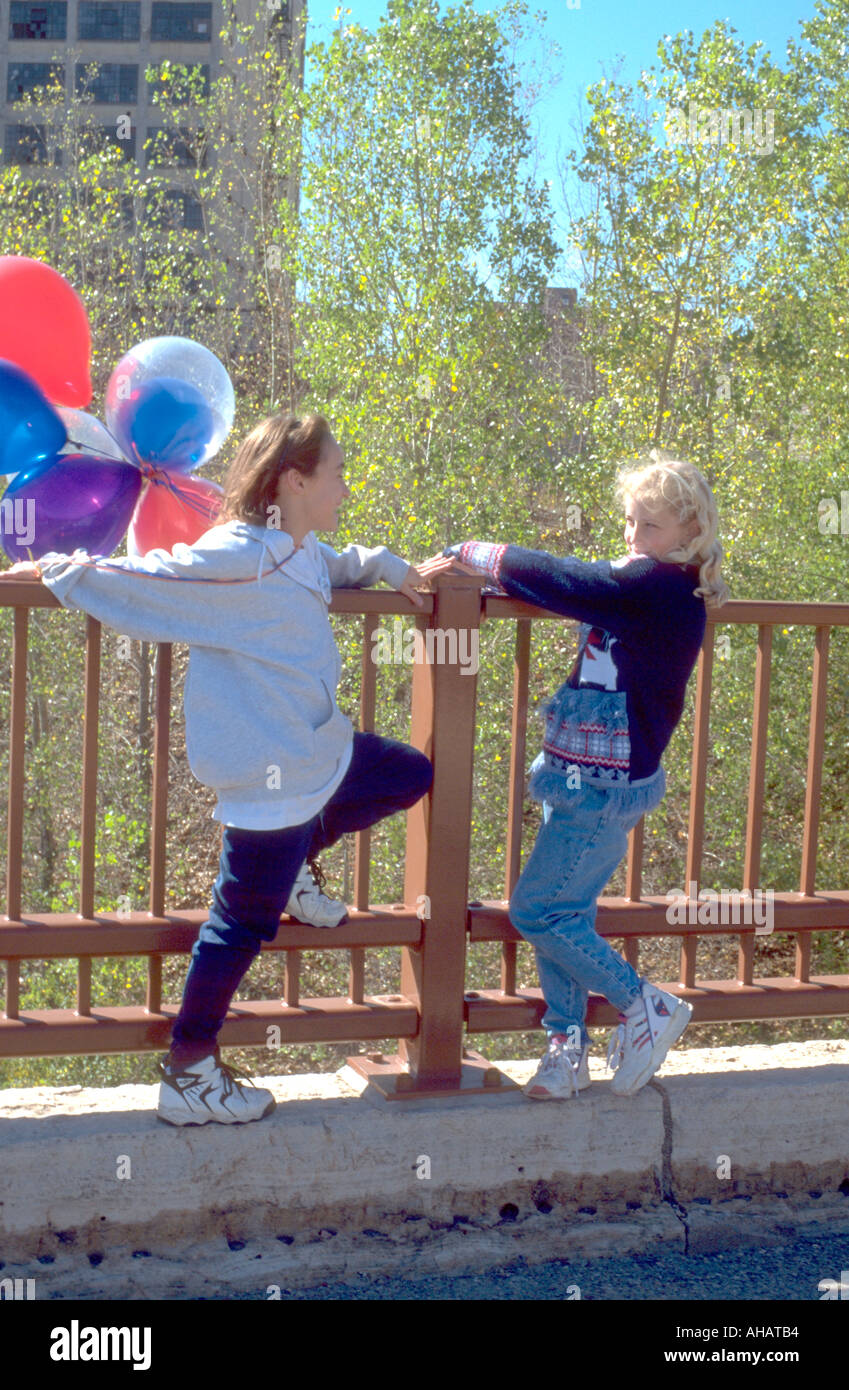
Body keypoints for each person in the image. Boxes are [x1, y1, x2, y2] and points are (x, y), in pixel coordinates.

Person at [2, 412, 433, 1125]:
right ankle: (189, 1069)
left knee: (405, 773)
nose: (345, 488)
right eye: (335, 473)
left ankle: (300, 860)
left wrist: (385, 565)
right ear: (294, 479)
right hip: (268, 777)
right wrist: (57, 569)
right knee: (237, 927)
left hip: (315, 754)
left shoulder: (295, 550)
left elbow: (327, 564)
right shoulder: (238, 556)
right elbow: (152, 577)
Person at [420, 454, 728, 1100]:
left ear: (689, 529)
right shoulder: (651, 581)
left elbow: (567, 580)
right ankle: (565, 1045)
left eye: (647, 526)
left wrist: (473, 553)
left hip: (603, 785)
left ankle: (642, 1003)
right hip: (581, 771)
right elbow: (577, 586)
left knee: (536, 908)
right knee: (568, 908)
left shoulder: (661, 588)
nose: (631, 538)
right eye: (628, 523)